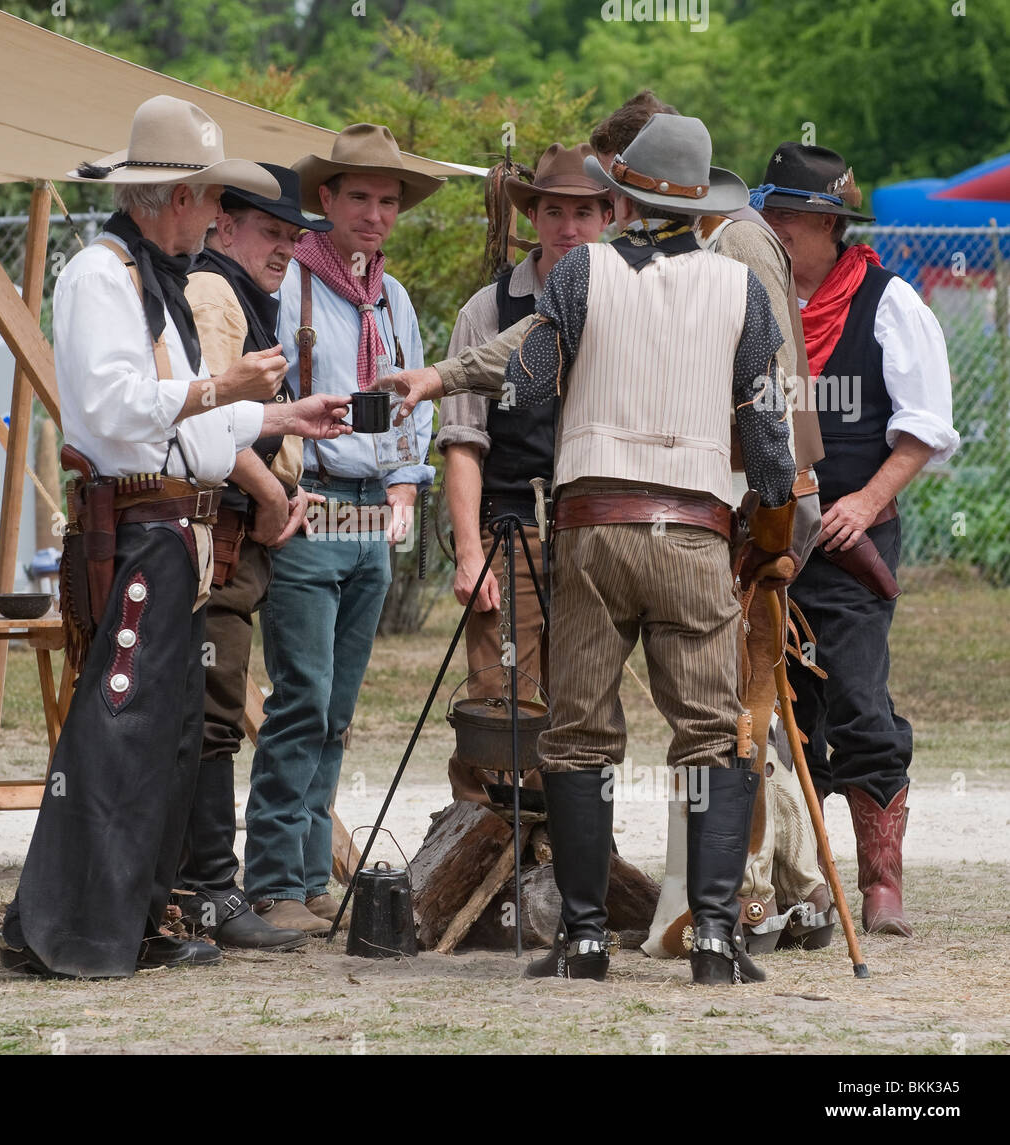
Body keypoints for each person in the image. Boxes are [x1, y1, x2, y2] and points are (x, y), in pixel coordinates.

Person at [382, 115, 798, 986]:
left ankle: (580, 937)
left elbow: (528, 376)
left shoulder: (581, 272)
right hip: (693, 532)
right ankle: (716, 936)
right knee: (712, 738)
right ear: (703, 205)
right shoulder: (742, 292)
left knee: (576, 738)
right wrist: (766, 534)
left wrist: (444, 376)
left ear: (626, 198)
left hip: (593, 528)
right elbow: (768, 440)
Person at [0, 96, 352, 978]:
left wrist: (274, 412)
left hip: (166, 530)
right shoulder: (99, 276)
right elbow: (118, 411)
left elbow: (195, 433)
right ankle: (75, 926)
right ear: (169, 198)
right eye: (205, 196)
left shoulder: (152, 278)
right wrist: (225, 386)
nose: (213, 214)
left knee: (162, 732)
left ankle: (134, 915)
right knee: (120, 728)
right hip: (133, 525)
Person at [593, 92, 833, 955]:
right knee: (746, 706)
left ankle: (751, 900)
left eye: (615, 195)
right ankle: (792, 892)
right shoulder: (718, 242)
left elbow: (770, 387)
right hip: (731, 491)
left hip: (748, 493)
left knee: (730, 708)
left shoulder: (730, 245)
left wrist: (775, 503)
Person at [754, 142, 959, 936]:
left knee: (861, 706)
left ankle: (881, 884)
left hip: (849, 541)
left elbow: (922, 431)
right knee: (777, 715)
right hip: (766, 536)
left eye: (785, 218)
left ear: (825, 224)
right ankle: (797, 879)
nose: (771, 229)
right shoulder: (751, 300)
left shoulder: (891, 302)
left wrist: (867, 502)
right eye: (766, 215)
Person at [242, 124, 442, 935]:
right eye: (358, 196)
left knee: (340, 707)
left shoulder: (391, 299)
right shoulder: (290, 287)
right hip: (309, 500)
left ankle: (312, 869)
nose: (375, 213)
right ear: (326, 199)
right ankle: (273, 882)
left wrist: (402, 483)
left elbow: (414, 407)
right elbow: (265, 401)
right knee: (302, 698)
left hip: (371, 512)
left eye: (388, 200)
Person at [176, 164, 332, 951]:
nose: (285, 248)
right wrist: (271, 491)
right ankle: (205, 890)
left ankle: (201, 885)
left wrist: (284, 483)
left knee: (215, 706)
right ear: (225, 227)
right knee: (209, 710)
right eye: (272, 231)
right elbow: (205, 412)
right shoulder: (213, 291)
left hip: (243, 526)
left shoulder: (245, 293)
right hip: (219, 527)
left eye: (293, 237)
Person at [437, 143, 612, 805]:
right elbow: (462, 441)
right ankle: (483, 856)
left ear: (607, 218)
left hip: (597, 536)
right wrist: (469, 551)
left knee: (582, 708)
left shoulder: (627, 307)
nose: (570, 227)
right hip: (512, 529)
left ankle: (564, 867)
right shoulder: (488, 310)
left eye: (586, 212)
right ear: (532, 216)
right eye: (556, 211)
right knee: (497, 703)